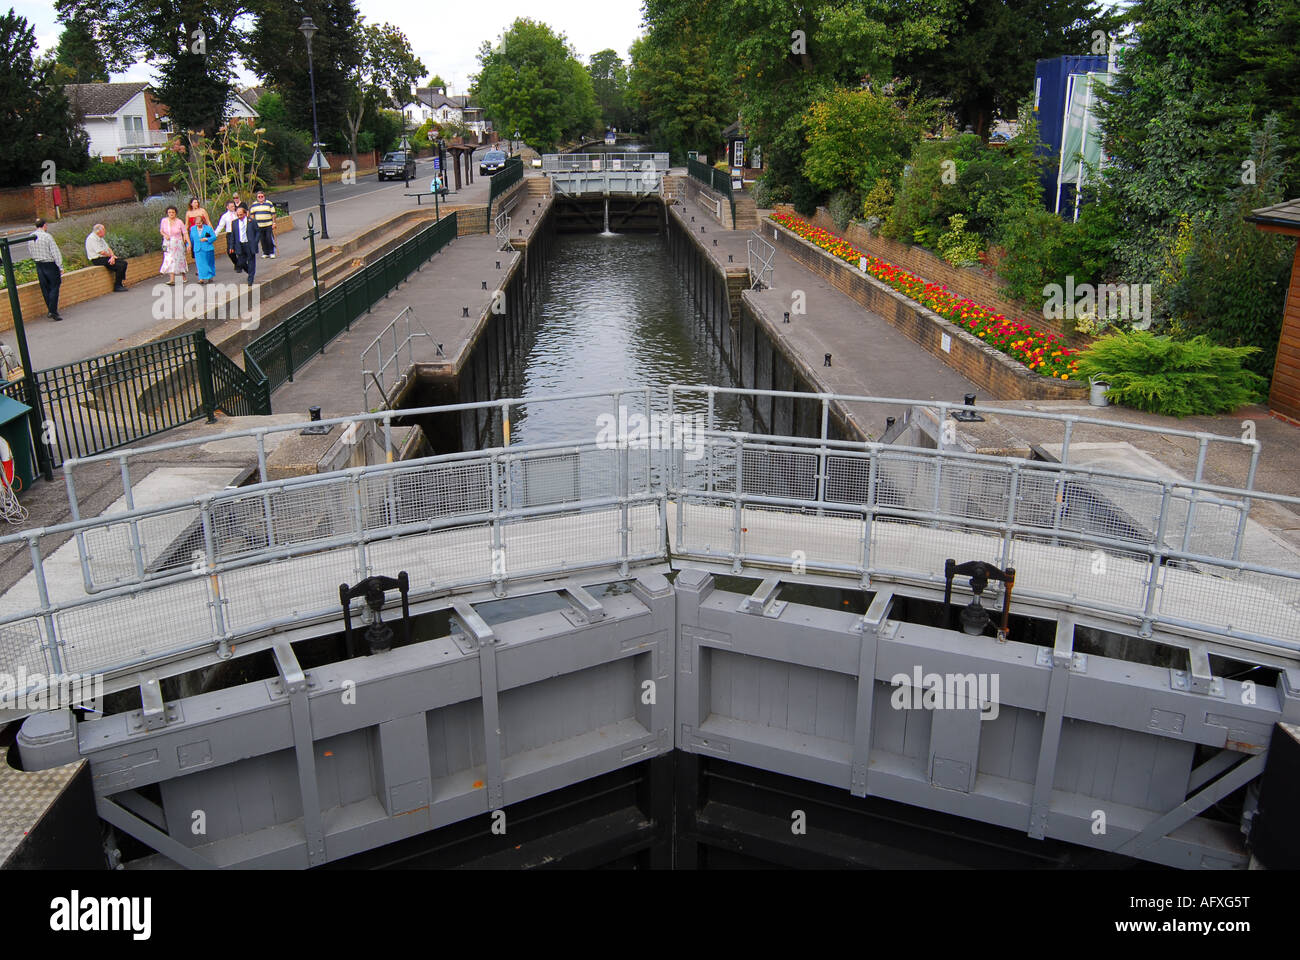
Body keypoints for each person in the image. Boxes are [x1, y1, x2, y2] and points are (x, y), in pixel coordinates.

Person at [28, 219, 63, 321]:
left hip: (39, 264)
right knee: (54, 286)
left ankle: (52, 310)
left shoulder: (31, 236)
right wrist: (60, 266)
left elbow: (30, 251)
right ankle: (52, 311)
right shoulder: (47, 236)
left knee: (45, 288)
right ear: (44, 225)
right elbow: (55, 252)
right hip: (50, 264)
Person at [85, 224, 128, 290]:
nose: (105, 232)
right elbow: (101, 252)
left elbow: (108, 248)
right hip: (97, 259)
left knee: (124, 263)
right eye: (104, 230)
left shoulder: (100, 238)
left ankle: (121, 282)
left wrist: (112, 256)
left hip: (105, 257)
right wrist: (111, 257)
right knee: (120, 266)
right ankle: (117, 286)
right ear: (99, 231)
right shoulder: (92, 239)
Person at [230, 204, 260, 285]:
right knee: (241, 262)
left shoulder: (251, 221)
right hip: (240, 245)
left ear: (245, 213)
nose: (239, 216)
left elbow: (257, 232)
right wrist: (231, 246)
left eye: (241, 215)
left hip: (249, 245)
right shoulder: (234, 223)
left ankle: (250, 278)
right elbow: (233, 235)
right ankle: (250, 272)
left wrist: (255, 241)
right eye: (238, 215)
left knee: (251, 261)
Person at [159, 205, 189, 284]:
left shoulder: (179, 221)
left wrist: (188, 243)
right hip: (167, 243)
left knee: (179, 259)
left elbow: (185, 232)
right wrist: (165, 235)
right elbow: (161, 231)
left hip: (177, 243)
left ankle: (183, 276)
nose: (171, 214)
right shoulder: (164, 221)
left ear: (175, 213)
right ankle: (172, 279)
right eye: (169, 212)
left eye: (173, 212)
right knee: (169, 259)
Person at [248, 190, 277, 258]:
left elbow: (273, 214)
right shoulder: (254, 205)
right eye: (259, 196)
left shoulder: (269, 203)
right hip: (259, 226)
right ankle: (265, 252)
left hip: (268, 225)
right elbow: (252, 215)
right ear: (257, 197)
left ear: (264, 197)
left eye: (262, 196)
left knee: (269, 238)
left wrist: (274, 223)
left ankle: (271, 252)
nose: (260, 197)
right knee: (262, 239)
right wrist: (252, 225)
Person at [190, 216, 217, 283]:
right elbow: (191, 239)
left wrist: (207, 239)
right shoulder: (192, 229)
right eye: (197, 223)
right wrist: (189, 245)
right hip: (198, 249)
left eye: (199, 223)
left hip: (208, 248)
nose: (198, 225)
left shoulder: (208, 228)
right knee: (200, 264)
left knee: (208, 263)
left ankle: (210, 276)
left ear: (202, 222)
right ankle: (201, 278)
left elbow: (214, 237)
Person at [214, 200, 239, 270]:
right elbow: (220, 226)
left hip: (238, 233)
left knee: (240, 249)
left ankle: (241, 264)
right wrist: (214, 235)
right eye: (231, 206)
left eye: (234, 206)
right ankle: (236, 263)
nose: (233, 208)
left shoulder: (238, 214)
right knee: (230, 251)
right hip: (230, 234)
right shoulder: (225, 216)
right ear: (227, 207)